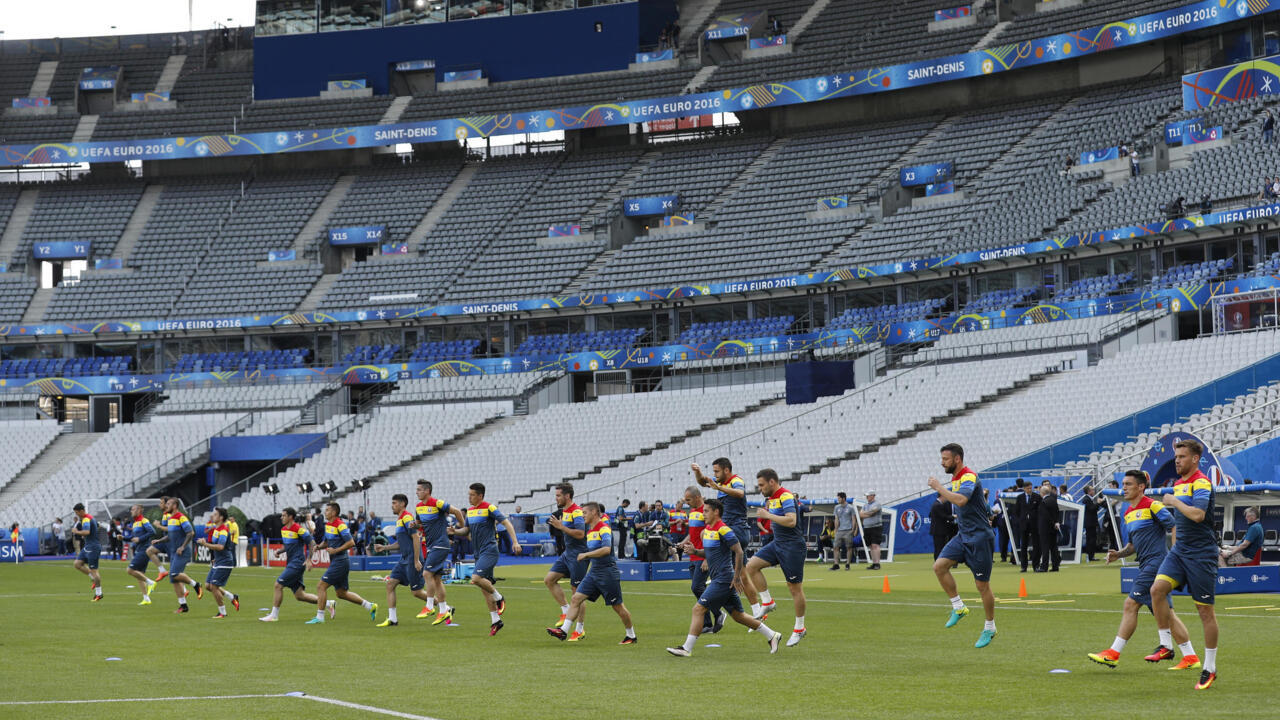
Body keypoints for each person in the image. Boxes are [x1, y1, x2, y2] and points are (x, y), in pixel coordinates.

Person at [1088, 470, 1198, 669]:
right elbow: (1132, 546)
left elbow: (1174, 526)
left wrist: (1176, 554)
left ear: (1140, 487)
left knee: (1130, 605)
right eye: (1123, 484)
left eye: (1128, 484)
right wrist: (1118, 554)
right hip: (1147, 564)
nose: (1124, 488)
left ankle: (1113, 653)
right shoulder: (1129, 513)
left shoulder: (1153, 505)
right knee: (1166, 614)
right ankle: (1190, 657)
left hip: (1157, 563)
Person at [666, 498, 781, 657]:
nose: (703, 514)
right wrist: (695, 552)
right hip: (721, 579)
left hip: (724, 579)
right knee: (738, 616)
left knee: (698, 609)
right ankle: (772, 635)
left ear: (716, 512)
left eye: (706, 511)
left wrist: (736, 577)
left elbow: (739, 551)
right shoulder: (707, 530)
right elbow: (709, 553)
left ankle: (686, 648)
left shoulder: (724, 529)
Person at [1150, 439, 1219, 690]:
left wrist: (1174, 502)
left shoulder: (1200, 482)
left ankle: (1209, 668)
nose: (1176, 460)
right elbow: (1180, 522)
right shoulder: (1179, 484)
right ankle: (1166, 646)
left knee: (1205, 612)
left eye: (1181, 456)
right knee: (1156, 590)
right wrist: (1175, 546)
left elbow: (1198, 515)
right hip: (1180, 552)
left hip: (1202, 555)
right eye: (1175, 456)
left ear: (1195, 459)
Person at [927, 443, 997, 648]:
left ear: (957, 459)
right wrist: (988, 512)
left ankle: (990, 627)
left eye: (945, 459)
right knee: (939, 566)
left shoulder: (968, 476)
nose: (942, 463)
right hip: (963, 535)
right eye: (941, 459)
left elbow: (961, 501)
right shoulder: (957, 479)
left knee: (982, 586)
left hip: (979, 539)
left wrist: (939, 488)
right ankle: (958, 607)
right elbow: (979, 504)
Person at [547, 502, 636, 644]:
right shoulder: (590, 531)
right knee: (576, 599)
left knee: (618, 606)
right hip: (594, 572)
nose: (582, 516)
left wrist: (586, 555)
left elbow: (606, 550)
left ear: (594, 512)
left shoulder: (604, 529)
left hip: (607, 574)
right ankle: (563, 630)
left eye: (585, 513)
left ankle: (631, 635)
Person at [742, 469, 807, 647]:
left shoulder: (785, 496)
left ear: (772, 482)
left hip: (792, 546)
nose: (760, 488)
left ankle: (800, 628)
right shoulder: (771, 499)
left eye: (762, 485)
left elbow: (791, 521)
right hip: (778, 543)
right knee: (751, 566)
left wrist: (768, 515)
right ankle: (768, 601)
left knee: (794, 588)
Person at [452, 482, 522, 636]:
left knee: (476, 578)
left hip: (489, 550)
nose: (469, 497)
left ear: (480, 496)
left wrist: (515, 542)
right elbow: (466, 530)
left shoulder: (489, 508)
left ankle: (499, 597)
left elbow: (506, 523)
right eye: (468, 494)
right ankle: (496, 621)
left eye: (472, 495)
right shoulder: (470, 511)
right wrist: (455, 531)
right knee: (485, 588)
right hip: (478, 553)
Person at [692, 458, 758, 600]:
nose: (714, 474)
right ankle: (759, 607)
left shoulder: (736, 480)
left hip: (736, 529)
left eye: (717, 471)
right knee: (742, 575)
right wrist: (698, 472)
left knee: (706, 533)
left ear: (726, 470)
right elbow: (703, 481)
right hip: (735, 530)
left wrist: (719, 488)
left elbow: (740, 493)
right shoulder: (720, 482)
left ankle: (713, 568)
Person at [308, 502, 376, 624]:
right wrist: (319, 547)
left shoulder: (340, 525)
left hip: (340, 561)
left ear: (334, 512)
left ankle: (320, 617)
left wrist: (336, 550)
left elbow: (351, 542)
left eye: (328, 510)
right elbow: (327, 542)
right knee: (341, 593)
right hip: (336, 561)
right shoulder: (328, 525)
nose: (325, 512)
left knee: (321, 586)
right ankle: (369, 606)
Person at [412, 480, 466, 624]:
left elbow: (456, 511)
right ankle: (443, 610)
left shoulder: (437, 503)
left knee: (426, 573)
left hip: (441, 544)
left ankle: (429, 606)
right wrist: (414, 524)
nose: (416, 492)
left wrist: (461, 526)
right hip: (431, 545)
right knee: (436, 580)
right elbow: (420, 524)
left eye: (419, 490)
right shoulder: (418, 507)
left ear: (427, 491)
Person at [373, 494, 429, 627]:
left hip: (411, 559)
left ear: (402, 504)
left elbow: (416, 538)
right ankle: (393, 619)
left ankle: (445, 607)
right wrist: (384, 547)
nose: (392, 506)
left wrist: (416, 560)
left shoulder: (407, 517)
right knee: (390, 584)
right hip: (404, 560)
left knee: (416, 592)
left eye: (394, 503)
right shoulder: (399, 519)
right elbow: (400, 543)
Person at [544, 483, 589, 639]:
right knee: (549, 580)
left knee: (577, 593)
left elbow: (580, 534)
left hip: (579, 555)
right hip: (567, 553)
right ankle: (565, 611)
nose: (556, 498)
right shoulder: (565, 511)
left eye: (558, 495)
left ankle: (579, 628)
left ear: (567, 496)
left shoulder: (576, 512)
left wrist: (561, 527)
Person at [260, 507, 320, 622]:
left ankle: (274, 615)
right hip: (291, 563)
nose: (281, 517)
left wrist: (309, 559)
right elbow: (287, 546)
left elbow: (312, 543)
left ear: (290, 517)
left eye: (284, 515)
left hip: (298, 563)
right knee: (300, 595)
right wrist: (279, 551)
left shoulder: (299, 529)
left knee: (278, 585)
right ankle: (327, 604)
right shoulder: (283, 529)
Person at [677, 486, 721, 634]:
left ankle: (718, 612)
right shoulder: (693, 512)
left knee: (697, 587)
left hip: (702, 557)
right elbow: (693, 534)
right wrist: (684, 542)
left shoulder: (706, 512)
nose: (686, 502)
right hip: (692, 556)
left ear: (697, 497)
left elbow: (711, 535)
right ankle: (708, 624)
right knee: (698, 590)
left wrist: (707, 559)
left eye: (688, 500)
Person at [197, 508, 241, 619]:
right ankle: (232, 597)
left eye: (215, 514)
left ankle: (223, 612)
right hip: (218, 561)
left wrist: (205, 544)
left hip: (225, 561)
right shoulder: (216, 529)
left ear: (221, 517)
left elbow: (221, 547)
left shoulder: (223, 530)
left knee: (214, 586)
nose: (213, 515)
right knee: (208, 586)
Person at [161, 498, 203, 612]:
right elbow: (169, 536)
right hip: (174, 552)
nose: (166, 506)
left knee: (174, 574)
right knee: (174, 579)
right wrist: (159, 540)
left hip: (182, 551)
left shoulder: (181, 517)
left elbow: (190, 533)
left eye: (168, 504)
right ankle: (183, 606)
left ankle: (196, 584)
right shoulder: (170, 519)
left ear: (175, 505)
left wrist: (183, 546)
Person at [124, 505, 159, 605]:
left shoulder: (144, 520)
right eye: (131, 509)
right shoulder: (135, 523)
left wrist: (140, 539)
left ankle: (151, 583)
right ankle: (146, 599)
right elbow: (133, 537)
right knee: (139, 575)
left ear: (139, 510)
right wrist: (123, 538)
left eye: (133, 509)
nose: (131, 511)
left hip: (145, 549)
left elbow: (152, 531)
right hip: (139, 549)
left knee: (130, 570)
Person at [71, 503, 104, 601]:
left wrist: (77, 532)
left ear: (81, 511)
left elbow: (87, 532)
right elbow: (96, 527)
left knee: (94, 571)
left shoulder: (86, 519)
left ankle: (99, 593)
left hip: (93, 547)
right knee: (77, 564)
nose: (77, 515)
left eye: (77, 513)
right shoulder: (90, 518)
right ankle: (93, 578)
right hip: (88, 546)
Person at [1035, 481, 1061, 572]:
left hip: (1045, 528)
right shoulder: (1053, 500)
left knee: (1045, 547)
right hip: (1053, 528)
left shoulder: (1043, 502)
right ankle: (1055, 566)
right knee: (1053, 547)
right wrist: (1056, 522)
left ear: (1042, 493)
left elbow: (1046, 516)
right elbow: (1057, 512)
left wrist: (1052, 522)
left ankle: (1044, 566)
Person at [146, 496, 172, 582]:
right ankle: (162, 571)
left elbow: (171, 529)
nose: (159, 505)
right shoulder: (165, 514)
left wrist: (159, 526)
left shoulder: (169, 515)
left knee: (175, 570)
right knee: (150, 551)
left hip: (171, 542)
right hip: (165, 540)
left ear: (167, 504)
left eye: (161, 503)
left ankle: (193, 585)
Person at [1016, 481, 1040, 571]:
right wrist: (1021, 519)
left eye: (1031, 488)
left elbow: (1039, 510)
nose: (1030, 490)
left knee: (1036, 545)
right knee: (1024, 546)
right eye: (1028, 488)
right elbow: (1017, 511)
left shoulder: (1037, 497)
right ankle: (1023, 566)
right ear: (1024, 489)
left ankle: (1036, 565)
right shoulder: (1020, 497)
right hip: (1024, 524)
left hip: (1034, 524)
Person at [859, 490, 883, 569]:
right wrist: (868, 514)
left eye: (868, 495)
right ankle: (874, 563)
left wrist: (866, 514)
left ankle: (877, 564)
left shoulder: (877, 504)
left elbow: (872, 512)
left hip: (875, 527)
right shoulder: (865, 505)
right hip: (867, 527)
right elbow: (861, 515)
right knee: (870, 546)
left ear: (873, 496)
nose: (867, 497)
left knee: (875, 545)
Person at [832, 492, 855, 569]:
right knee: (836, 547)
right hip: (839, 531)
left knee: (849, 547)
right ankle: (836, 564)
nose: (837, 499)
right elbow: (836, 519)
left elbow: (853, 519)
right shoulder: (836, 507)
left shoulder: (851, 507)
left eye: (839, 498)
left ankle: (848, 564)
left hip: (848, 530)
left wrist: (853, 529)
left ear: (843, 498)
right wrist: (835, 529)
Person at [929, 493, 956, 560]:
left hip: (938, 530)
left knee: (939, 547)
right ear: (942, 496)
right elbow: (944, 517)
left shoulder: (936, 504)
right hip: (939, 531)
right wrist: (954, 516)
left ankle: (938, 562)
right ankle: (938, 562)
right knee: (939, 548)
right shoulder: (938, 505)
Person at [1081, 485, 1099, 562]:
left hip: (1091, 522)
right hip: (1090, 522)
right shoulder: (1086, 499)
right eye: (1092, 490)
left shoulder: (1088, 499)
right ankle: (1090, 556)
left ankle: (1091, 555)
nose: (1093, 491)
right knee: (1091, 539)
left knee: (1092, 539)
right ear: (1089, 491)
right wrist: (1098, 503)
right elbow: (1092, 509)